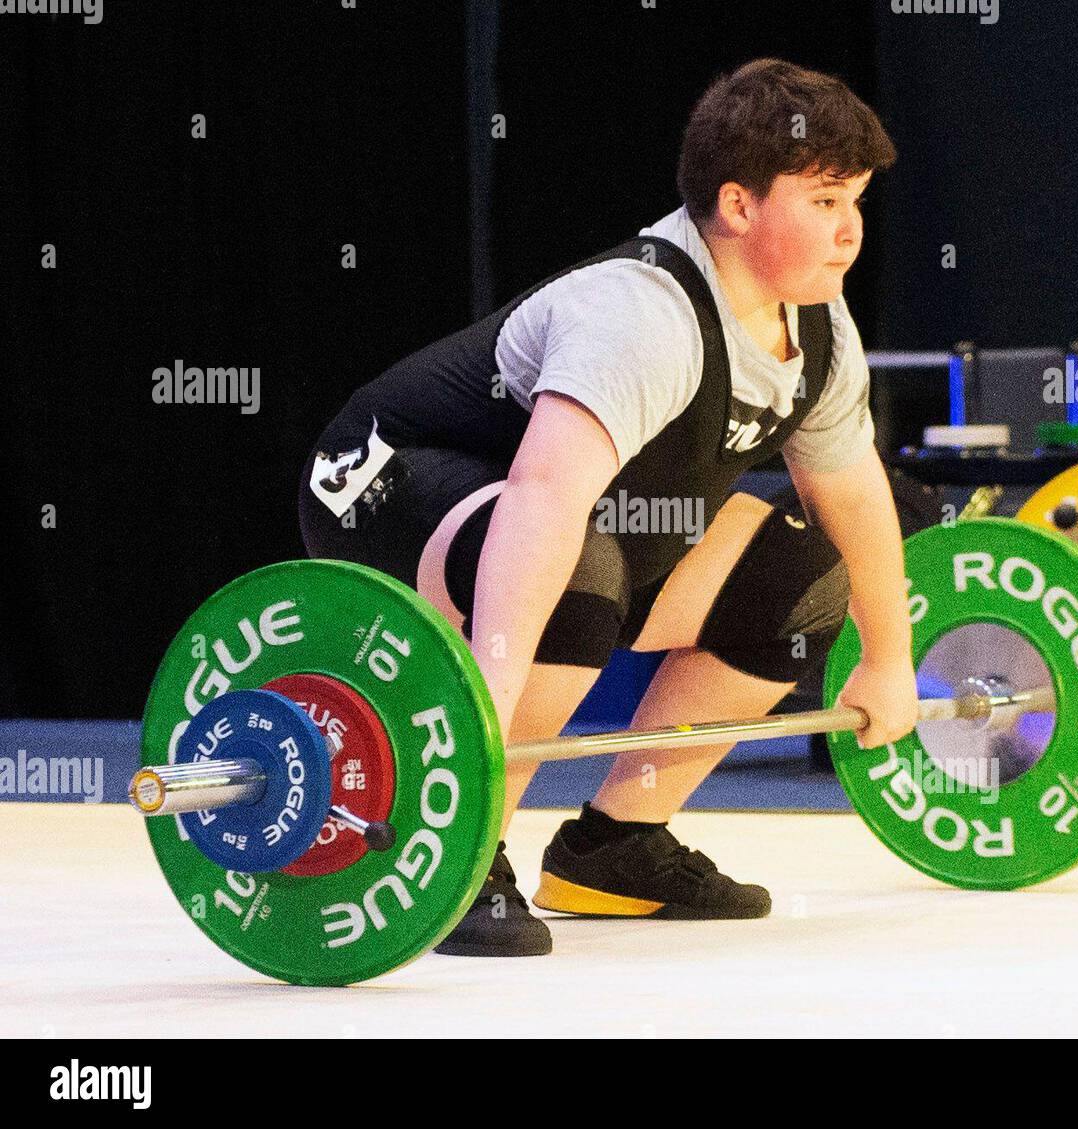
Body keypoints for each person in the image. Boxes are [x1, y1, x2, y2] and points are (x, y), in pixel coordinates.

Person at [298, 57, 918, 957]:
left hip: (570, 520)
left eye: (857, 201)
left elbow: (851, 493)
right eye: (825, 202)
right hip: (377, 486)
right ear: (739, 206)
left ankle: (615, 845)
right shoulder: (642, 315)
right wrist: (485, 706)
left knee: (803, 583)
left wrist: (890, 659)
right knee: (578, 572)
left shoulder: (815, 323)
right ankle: (460, 850)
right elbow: (544, 501)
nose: (851, 230)